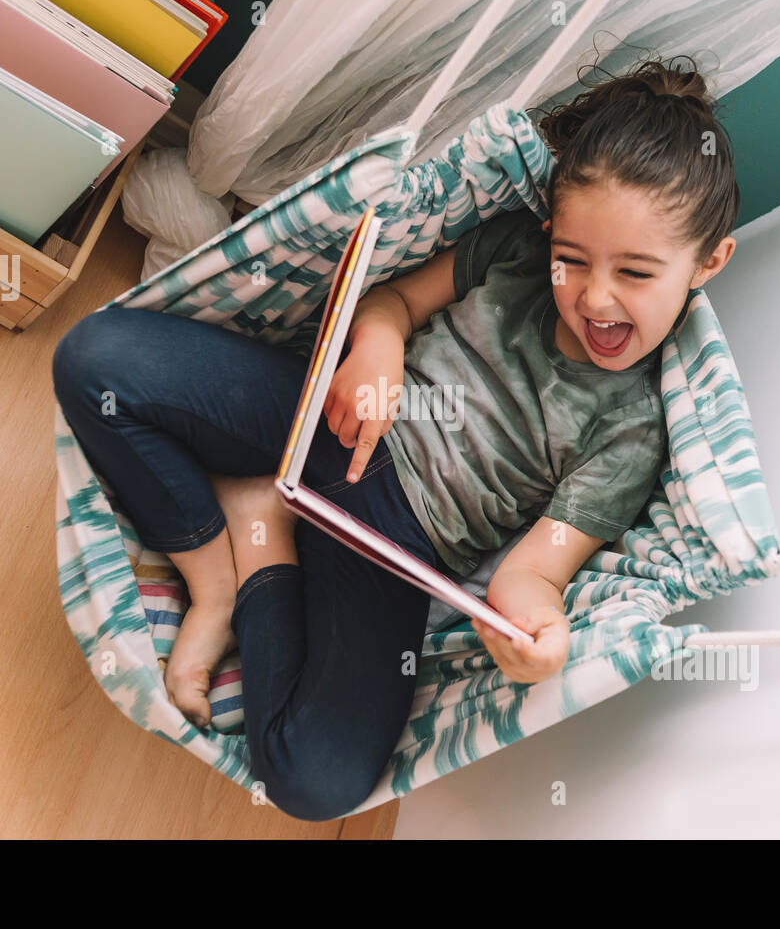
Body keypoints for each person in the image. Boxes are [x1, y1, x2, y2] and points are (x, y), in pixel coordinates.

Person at [51, 53, 739, 821]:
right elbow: (393, 301)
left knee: (316, 781)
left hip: (397, 545)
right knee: (94, 359)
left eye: (636, 275)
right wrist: (376, 346)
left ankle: (265, 540)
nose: (595, 296)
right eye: (571, 260)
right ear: (549, 230)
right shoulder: (514, 250)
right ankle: (213, 576)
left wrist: (537, 637)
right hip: (331, 423)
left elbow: (533, 575)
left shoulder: (631, 432)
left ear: (709, 263)